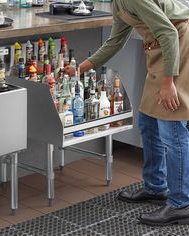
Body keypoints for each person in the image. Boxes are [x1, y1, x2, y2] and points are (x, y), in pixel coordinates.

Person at [64, 0, 189, 226]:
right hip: (162, 47)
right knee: (148, 122)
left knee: (172, 126)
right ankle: (155, 187)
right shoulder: (118, 2)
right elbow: (115, 42)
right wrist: (80, 69)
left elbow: (169, 32)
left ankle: (182, 203)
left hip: (178, 46)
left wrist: (169, 82)